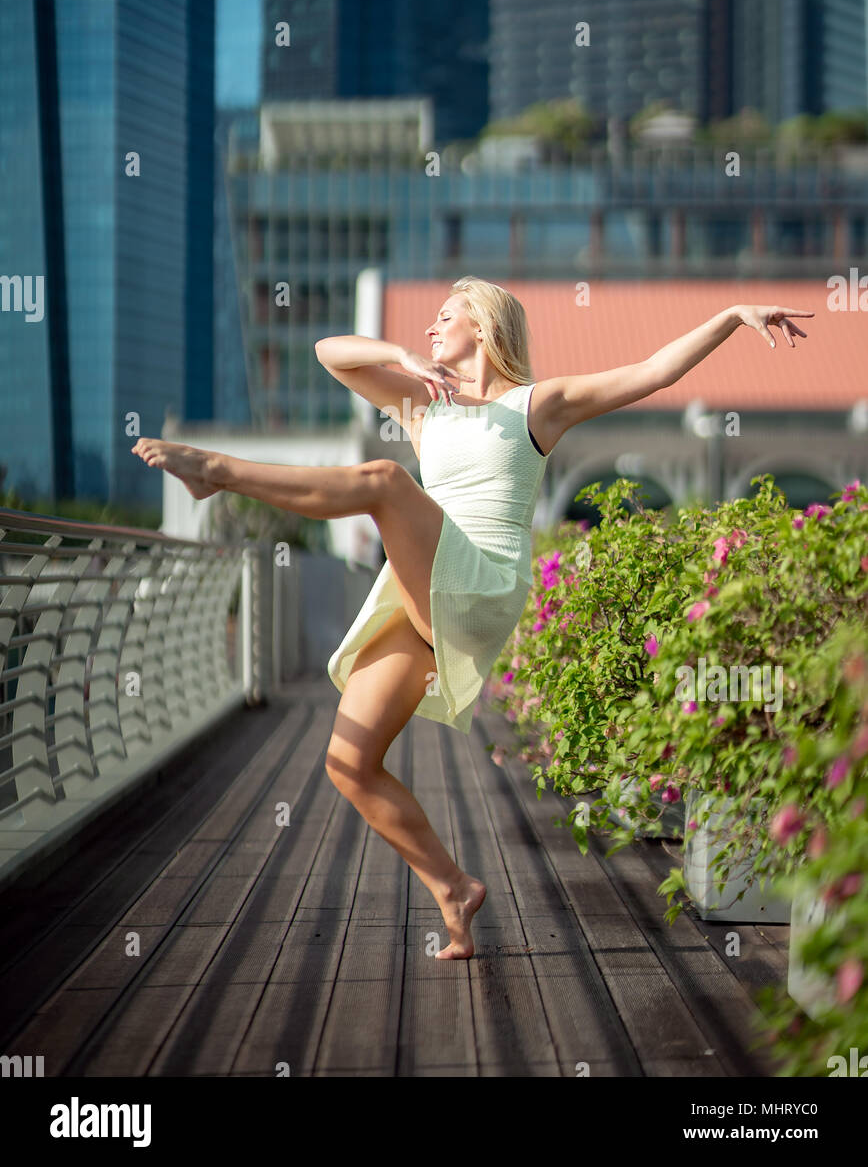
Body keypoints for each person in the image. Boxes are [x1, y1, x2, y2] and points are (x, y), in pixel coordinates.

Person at [131, 276, 812, 958]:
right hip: (420, 591)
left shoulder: (535, 407)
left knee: (384, 483)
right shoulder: (424, 406)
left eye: (442, 318)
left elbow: (651, 373)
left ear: (481, 329)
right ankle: (453, 889)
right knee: (348, 762)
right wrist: (403, 354)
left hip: (481, 585)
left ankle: (215, 469)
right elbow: (328, 353)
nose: (431, 329)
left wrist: (729, 315)